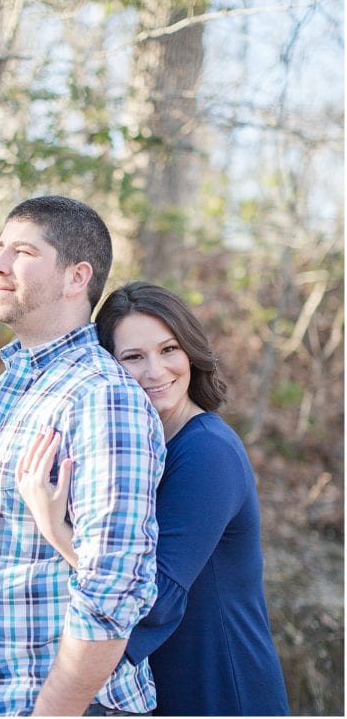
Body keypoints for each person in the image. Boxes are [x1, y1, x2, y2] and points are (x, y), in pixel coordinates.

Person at [0, 196, 167, 716]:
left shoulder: (101, 397)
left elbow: (114, 586)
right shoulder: (0, 392)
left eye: (22, 252)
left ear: (75, 277)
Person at [17, 281, 290, 715]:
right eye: (133, 357)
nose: (156, 371)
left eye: (168, 350)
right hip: (160, 684)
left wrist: (55, 529)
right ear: (108, 366)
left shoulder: (207, 451)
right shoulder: (138, 451)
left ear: (190, 353)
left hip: (219, 687)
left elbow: (152, 596)